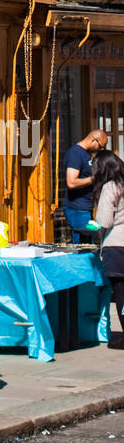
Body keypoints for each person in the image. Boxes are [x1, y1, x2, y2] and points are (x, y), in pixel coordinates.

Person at [94, 147, 124, 348]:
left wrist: (93, 224)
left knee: (121, 295)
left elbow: (104, 220)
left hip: (117, 245)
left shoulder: (110, 187)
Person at [62, 130, 106, 244]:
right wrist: (94, 178)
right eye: (100, 147)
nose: (100, 150)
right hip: (77, 209)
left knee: (88, 244)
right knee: (82, 246)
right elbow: (71, 182)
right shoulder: (75, 153)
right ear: (93, 140)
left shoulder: (85, 153)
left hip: (85, 208)